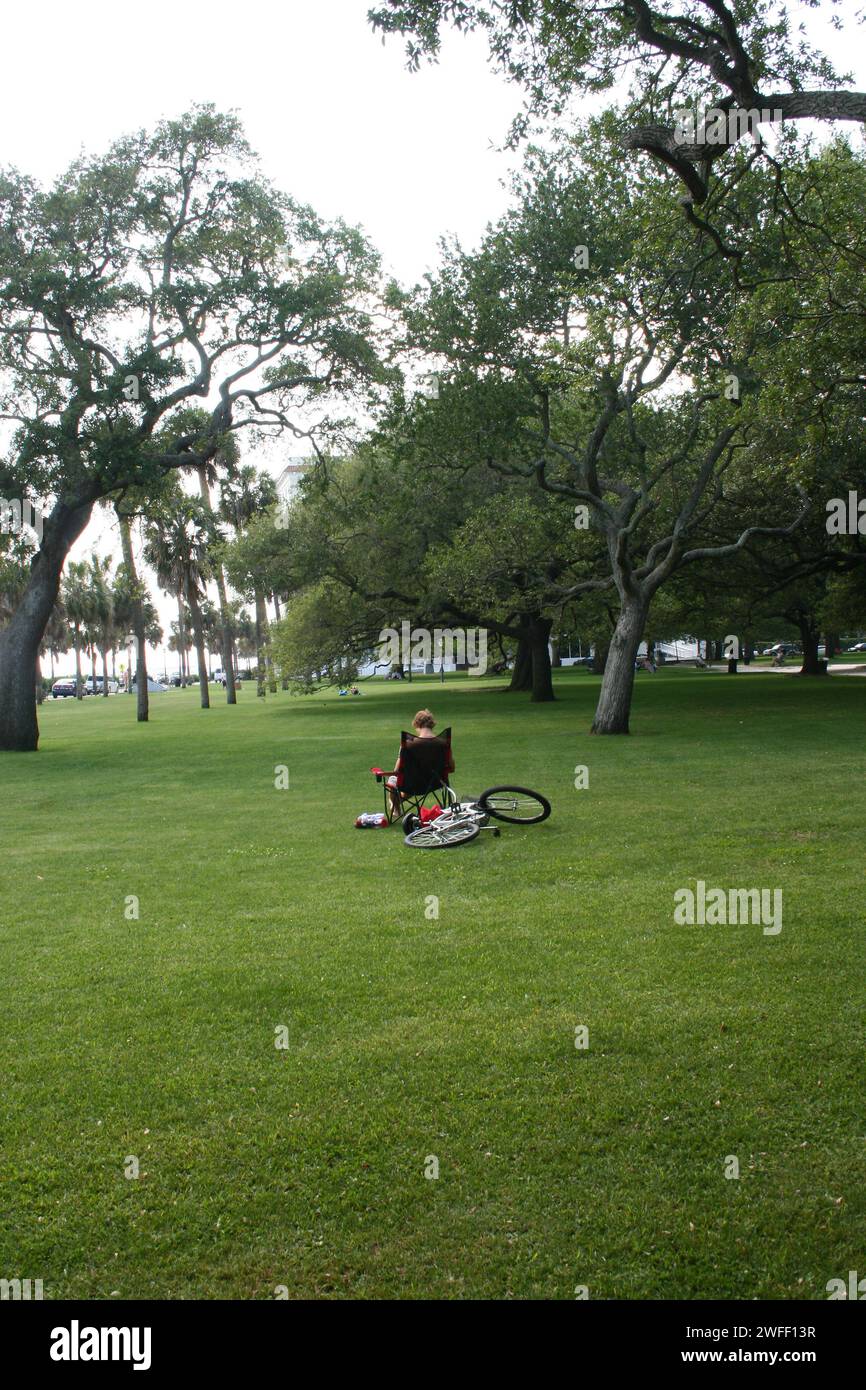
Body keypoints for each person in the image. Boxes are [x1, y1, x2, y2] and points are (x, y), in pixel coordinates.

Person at [387, 709, 454, 820]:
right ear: (432, 724)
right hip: (435, 783)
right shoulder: (443, 743)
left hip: (412, 784)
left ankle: (395, 806)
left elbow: (397, 770)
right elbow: (451, 768)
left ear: (416, 724)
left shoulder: (408, 744)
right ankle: (397, 803)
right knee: (410, 781)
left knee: (393, 779)